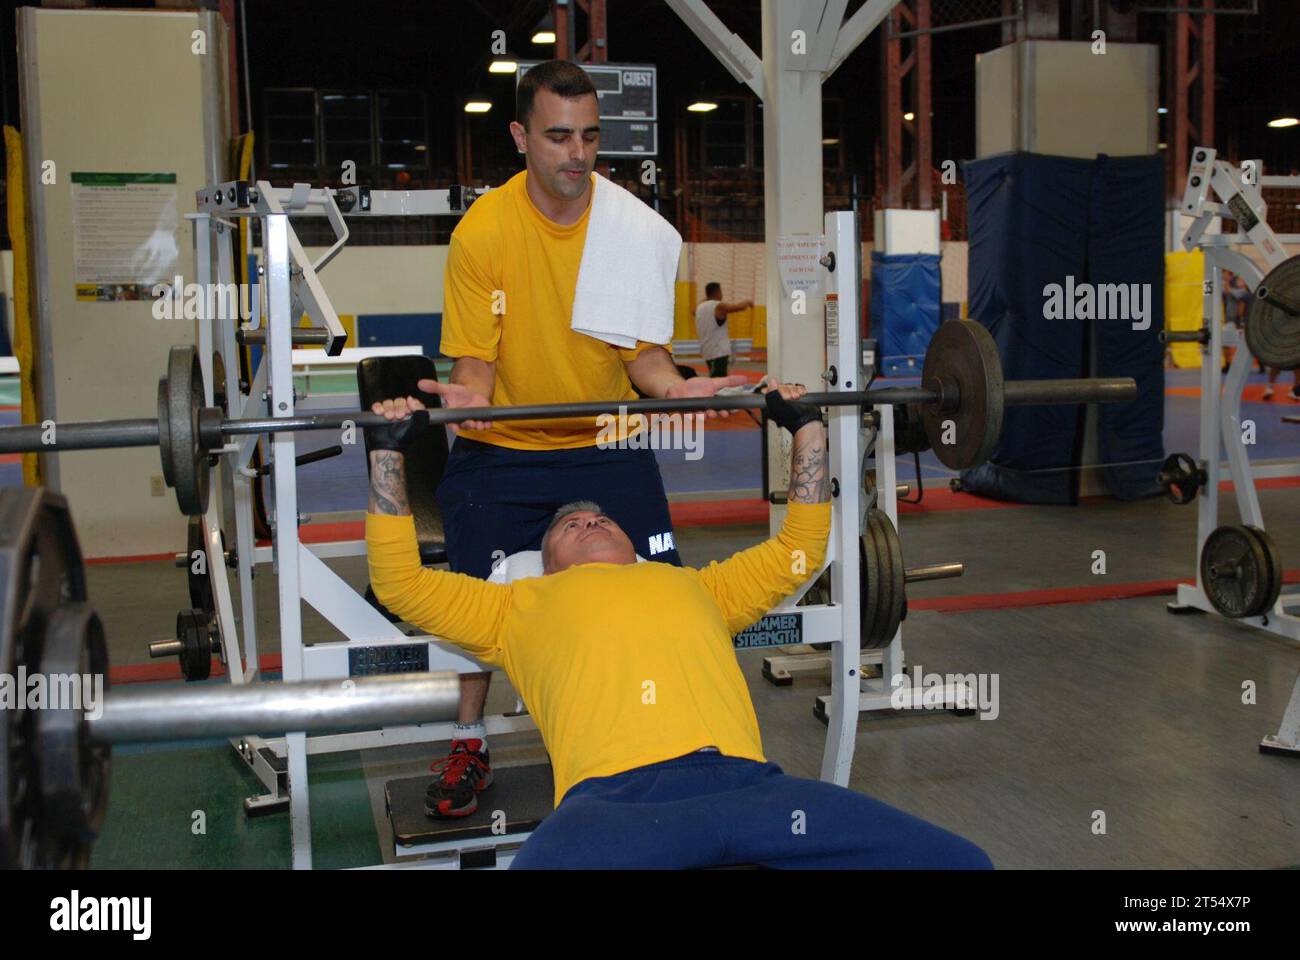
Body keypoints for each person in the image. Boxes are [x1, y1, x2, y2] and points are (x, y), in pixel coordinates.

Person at [364, 386, 993, 870]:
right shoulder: (513, 607)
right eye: (568, 525)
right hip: (609, 808)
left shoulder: (697, 585)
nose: (589, 520)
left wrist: (806, 429)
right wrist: (388, 450)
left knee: (964, 863)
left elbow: (798, 551)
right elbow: (400, 583)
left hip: (750, 789)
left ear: (632, 541)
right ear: (544, 560)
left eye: (601, 518)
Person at [414, 60, 746, 817]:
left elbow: (646, 359)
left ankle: (670, 741)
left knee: (664, 588)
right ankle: (471, 739)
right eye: (559, 137)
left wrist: (675, 388)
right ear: (520, 136)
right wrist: (470, 400)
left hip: (609, 440)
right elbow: (476, 362)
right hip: (507, 448)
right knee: (476, 600)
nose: (577, 155)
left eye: (590, 137)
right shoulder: (483, 234)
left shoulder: (627, 226)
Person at [693, 282, 753, 378]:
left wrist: (707, 297)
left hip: (707, 350)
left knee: (716, 379)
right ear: (718, 292)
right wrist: (748, 302)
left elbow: (694, 310)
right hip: (718, 352)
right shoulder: (719, 306)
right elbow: (738, 307)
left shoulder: (699, 307)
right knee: (718, 382)